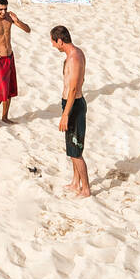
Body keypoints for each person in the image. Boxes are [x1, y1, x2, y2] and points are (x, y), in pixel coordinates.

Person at [51, 25, 90, 198]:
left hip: (73, 105)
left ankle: (86, 189)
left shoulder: (74, 58)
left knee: (76, 152)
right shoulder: (77, 52)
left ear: (60, 41)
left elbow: (73, 89)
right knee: (71, 149)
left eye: (54, 42)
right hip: (72, 103)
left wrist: (65, 115)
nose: (53, 46)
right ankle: (76, 182)